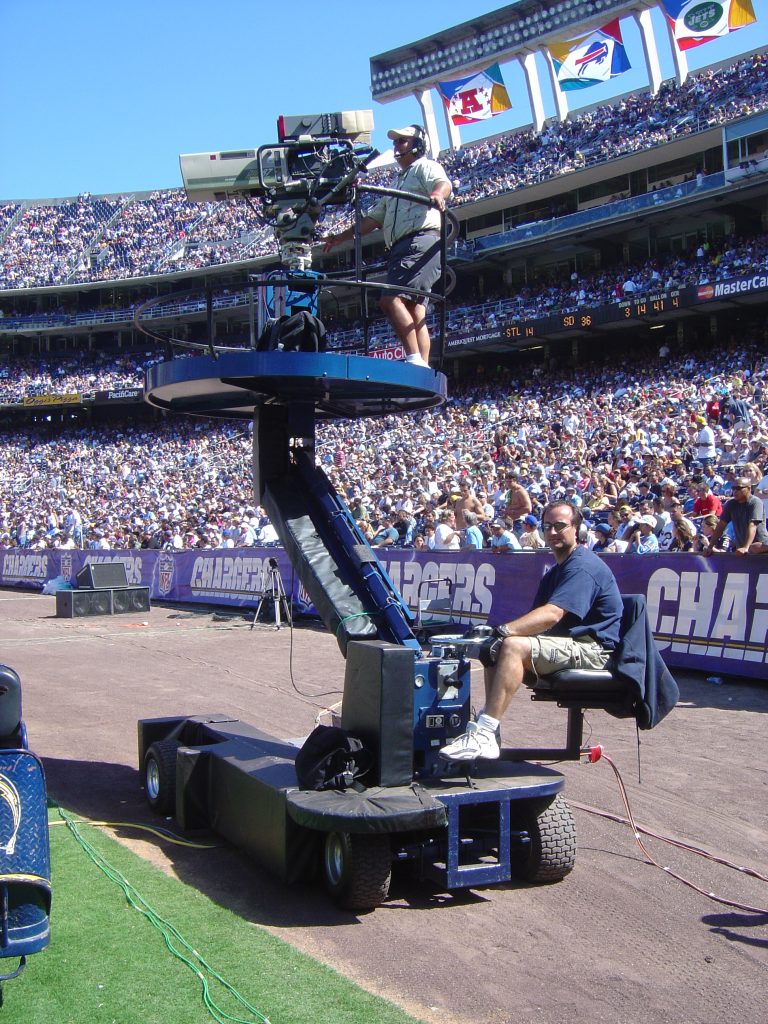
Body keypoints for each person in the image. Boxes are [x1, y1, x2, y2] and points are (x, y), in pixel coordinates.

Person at [440, 501, 623, 761]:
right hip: (571, 644)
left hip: (594, 650)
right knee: (494, 647)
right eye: (548, 526)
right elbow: (536, 623)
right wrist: (495, 634)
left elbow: (551, 615)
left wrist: (501, 631)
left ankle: (484, 732)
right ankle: (489, 732)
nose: (552, 532)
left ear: (576, 528)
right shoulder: (556, 572)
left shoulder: (583, 565)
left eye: (560, 526)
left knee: (511, 645)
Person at [323, 125, 452, 367]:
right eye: (396, 142)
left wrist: (437, 195)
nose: (397, 146)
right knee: (415, 308)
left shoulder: (425, 166)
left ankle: (414, 359)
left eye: (403, 141)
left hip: (419, 240)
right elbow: (372, 221)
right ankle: (422, 364)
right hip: (406, 244)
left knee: (390, 299)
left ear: (417, 145)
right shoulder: (395, 184)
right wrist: (340, 237)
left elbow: (443, 184)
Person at [703, 477, 768, 555]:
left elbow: (753, 525)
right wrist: (710, 547)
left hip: (760, 547)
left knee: (753, 547)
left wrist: (746, 547)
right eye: (733, 488)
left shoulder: (755, 502)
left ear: (749, 488)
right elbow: (721, 525)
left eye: (739, 488)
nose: (735, 491)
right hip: (741, 549)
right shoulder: (731, 504)